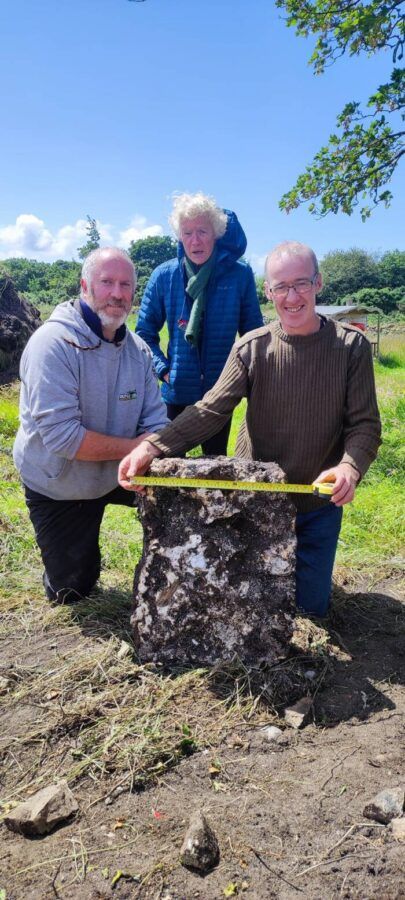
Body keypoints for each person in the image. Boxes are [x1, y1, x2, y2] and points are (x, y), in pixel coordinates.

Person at [119, 241, 381, 617]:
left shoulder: (350, 346)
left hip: (318, 504)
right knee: (254, 609)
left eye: (301, 284)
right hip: (257, 501)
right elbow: (211, 409)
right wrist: (153, 446)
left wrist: (349, 467)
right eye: (280, 287)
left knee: (311, 612)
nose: (291, 297)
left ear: (318, 283)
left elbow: (365, 425)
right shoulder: (252, 347)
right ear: (268, 292)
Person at [13, 247, 168, 604]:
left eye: (125, 284)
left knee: (183, 495)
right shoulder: (51, 345)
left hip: (120, 471)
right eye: (106, 282)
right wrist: (138, 446)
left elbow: (158, 422)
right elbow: (62, 437)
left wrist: (150, 447)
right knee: (71, 589)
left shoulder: (140, 351)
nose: (117, 293)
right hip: (60, 482)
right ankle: (61, 564)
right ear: (85, 286)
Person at [135, 192, 263, 455]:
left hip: (219, 394)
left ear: (215, 233)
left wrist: (239, 379)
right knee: (167, 466)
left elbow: (254, 335)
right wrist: (164, 370)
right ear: (179, 236)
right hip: (175, 392)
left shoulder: (240, 275)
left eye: (202, 231)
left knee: (216, 469)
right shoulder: (164, 275)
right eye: (188, 233)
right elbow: (144, 333)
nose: (195, 241)